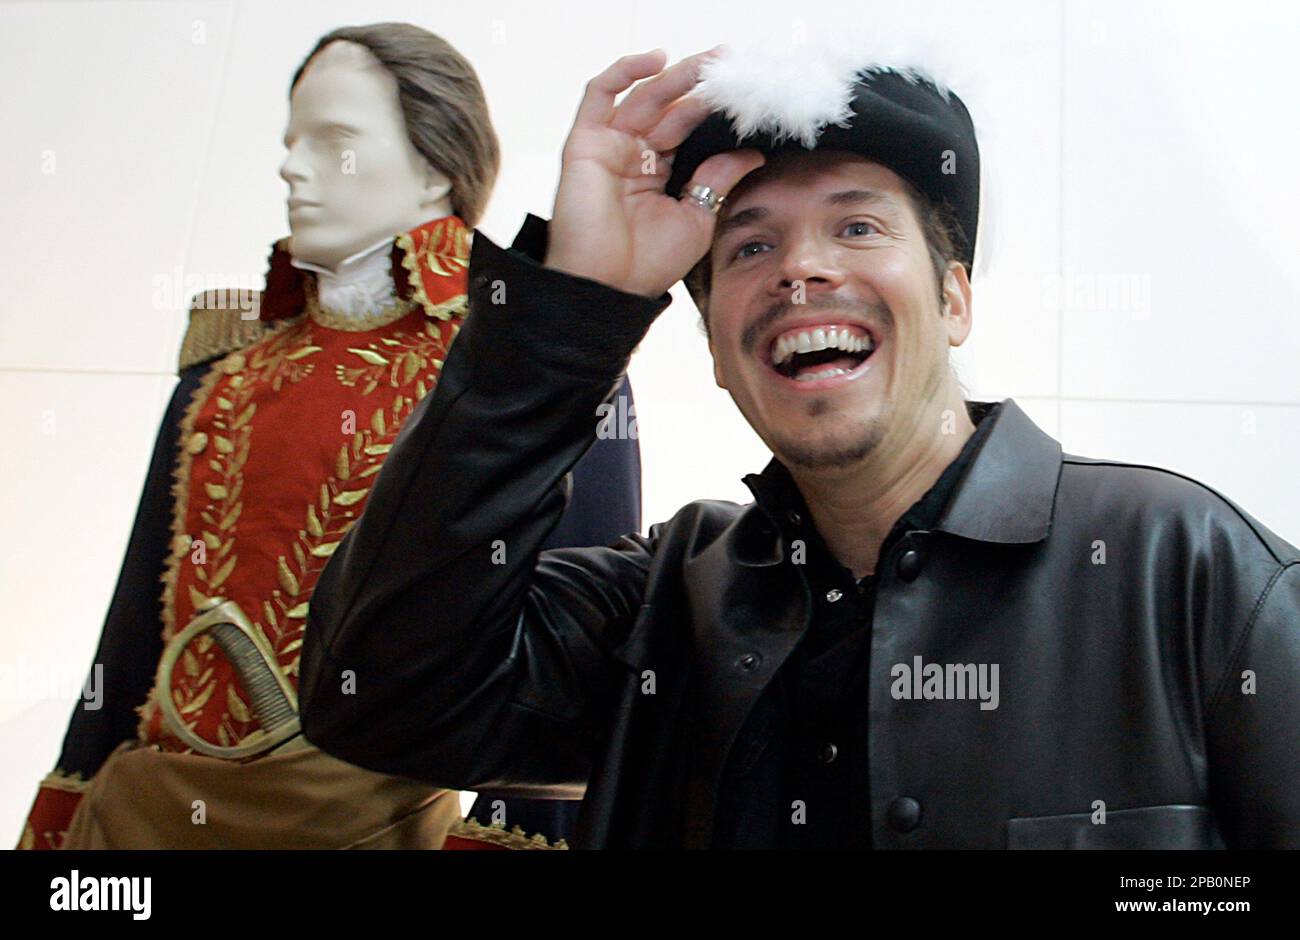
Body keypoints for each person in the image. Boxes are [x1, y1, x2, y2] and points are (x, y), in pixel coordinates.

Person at [299, 45, 1300, 849]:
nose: (801, 270)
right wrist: (571, 308)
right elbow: (382, 699)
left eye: (857, 226)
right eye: (748, 245)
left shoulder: (1187, 565)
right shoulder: (663, 601)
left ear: (953, 299)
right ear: (719, 358)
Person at [18, 23, 636, 850]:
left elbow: (562, 666)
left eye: (333, 140)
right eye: (290, 141)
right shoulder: (223, 370)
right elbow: (132, 632)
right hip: (145, 824)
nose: (291, 166)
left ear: (436, 165)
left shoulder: (519, 368)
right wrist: (62, 829)